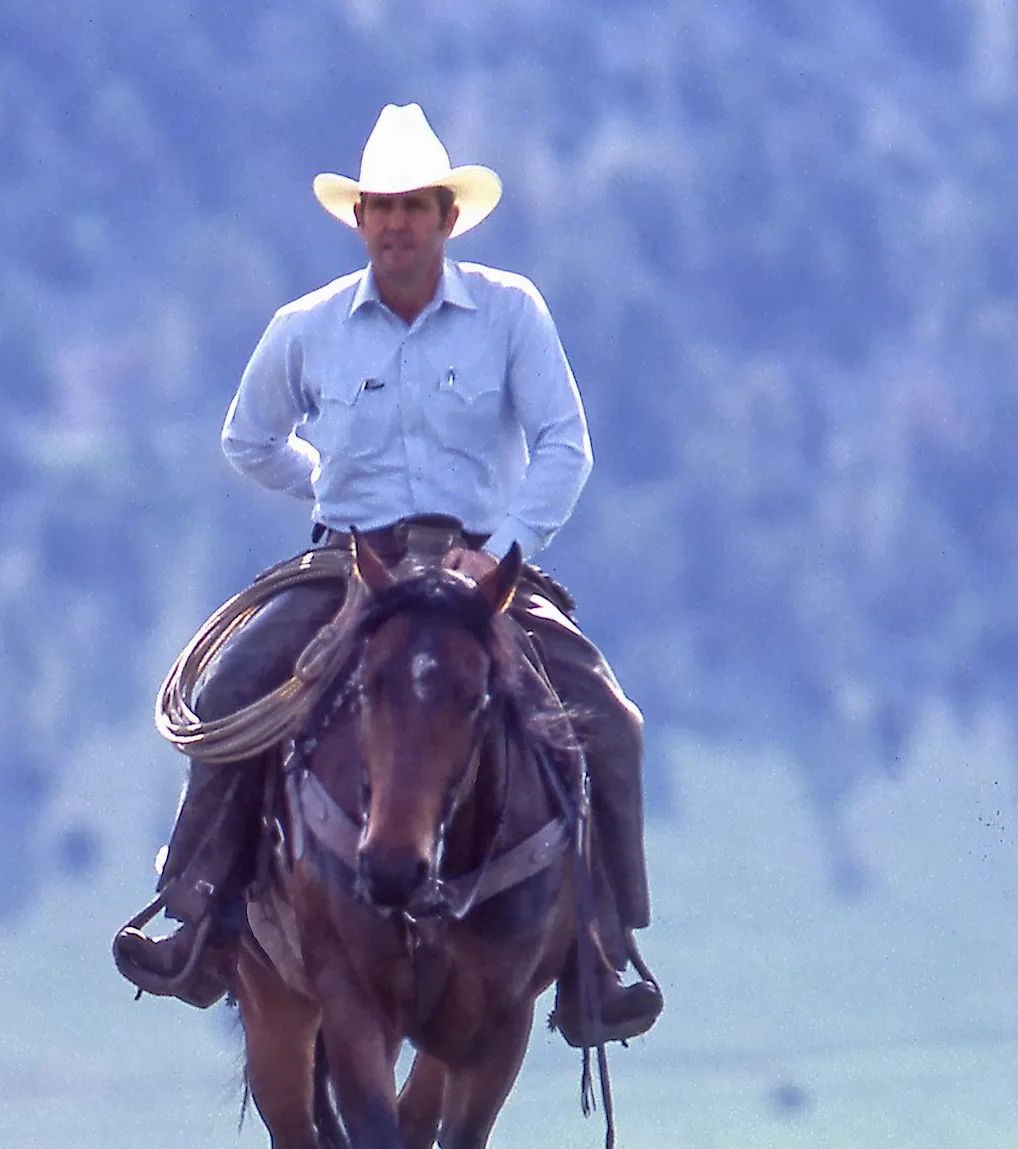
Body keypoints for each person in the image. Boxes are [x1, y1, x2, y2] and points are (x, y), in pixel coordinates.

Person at [113, 103, 661, 1042]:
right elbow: (249, 440)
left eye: (415, 206)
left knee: (608, 719)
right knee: (234, 690)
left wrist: (501, 549)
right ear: (360, 219)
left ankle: (601, 954)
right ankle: (196, 918)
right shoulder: (307, 327)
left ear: (448, 217)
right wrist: (327, 487)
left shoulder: (511, 312)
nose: (398, 223)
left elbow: (565, 446)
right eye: (382, 207)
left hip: (480, 574)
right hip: (351, 568)